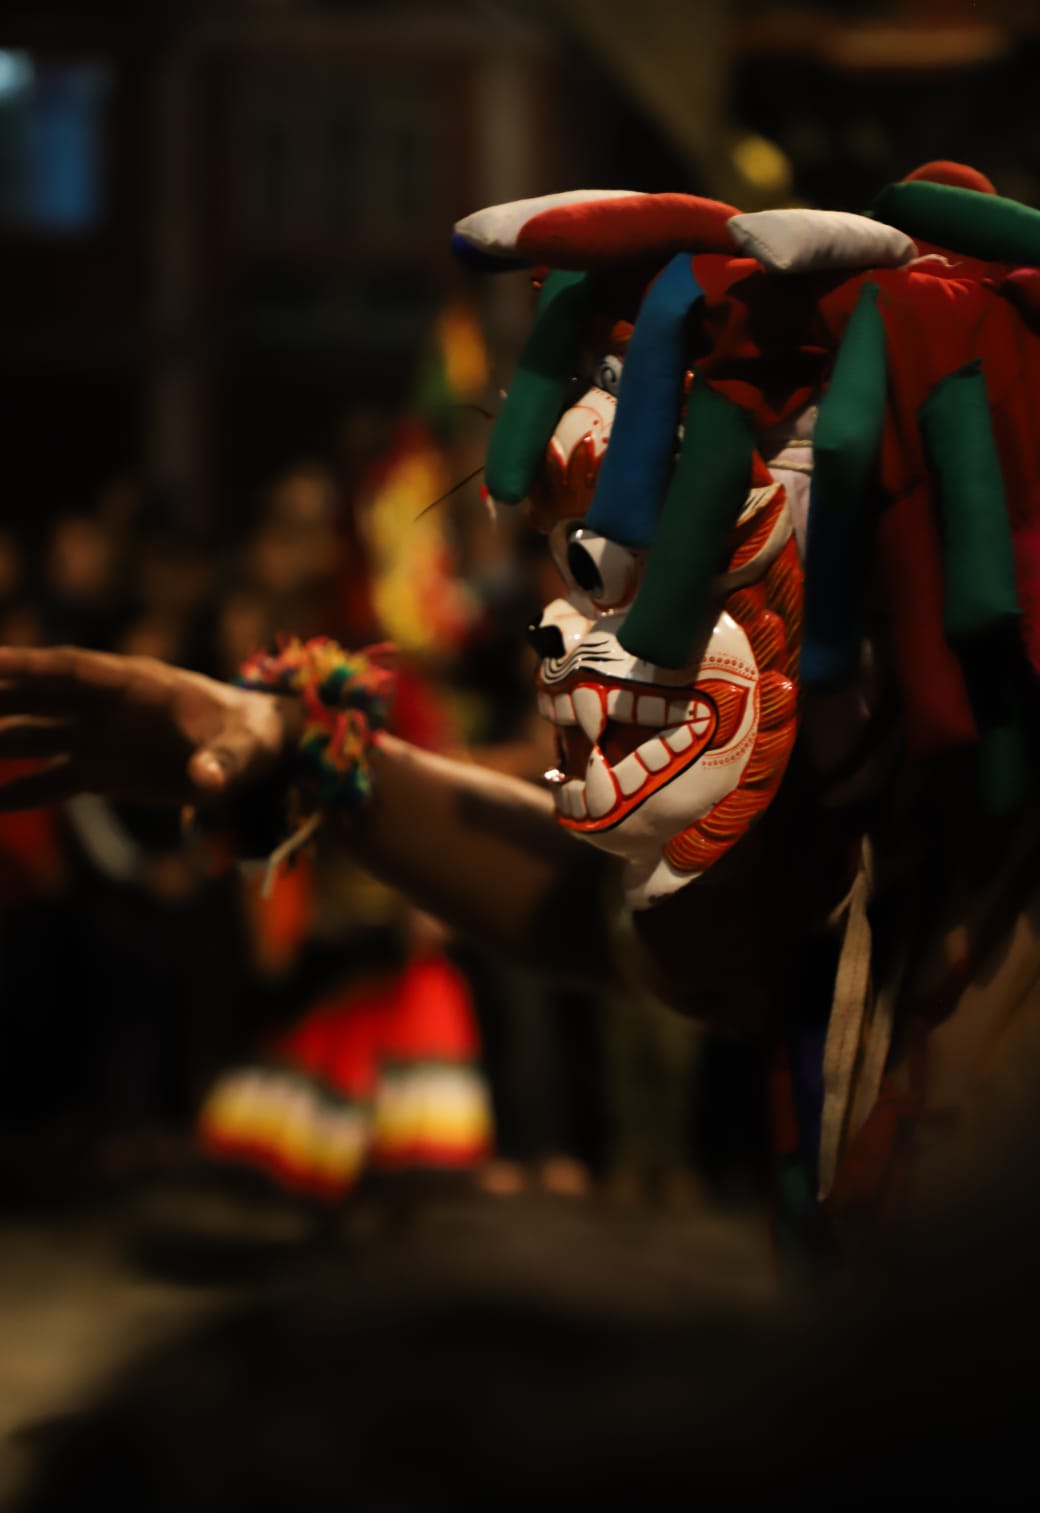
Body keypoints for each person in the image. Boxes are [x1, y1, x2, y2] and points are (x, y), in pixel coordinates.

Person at [1, 161, 1039, 1261]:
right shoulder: (871, 878)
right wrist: (292, 747)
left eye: (688, 554)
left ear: (900, 566)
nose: (573, 628)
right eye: (584, 561)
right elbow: (582, 909)